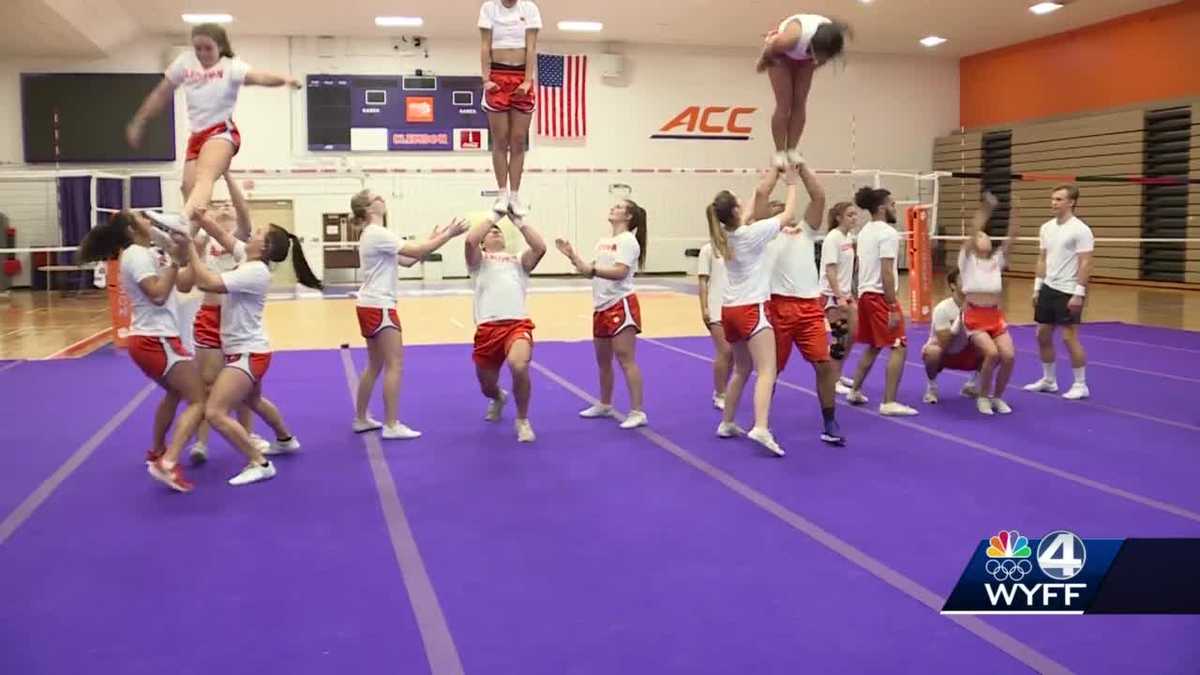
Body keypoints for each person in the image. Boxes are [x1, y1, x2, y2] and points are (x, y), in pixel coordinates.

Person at [183, 213, 317, 486]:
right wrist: (201, 217)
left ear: (264, 247)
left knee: (215, 412)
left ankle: (259, 461)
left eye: (257, 233)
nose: (251, 234)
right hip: (250, 350)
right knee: (252, 401)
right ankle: (285, 439)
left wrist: (189, 248)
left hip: (247, 354)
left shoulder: (254, 271)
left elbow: (207, 283)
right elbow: (223, 236)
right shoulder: (249, 257)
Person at [78, 211, 205, 492]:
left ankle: (157, 450)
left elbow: (181, 283)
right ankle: (169, 462)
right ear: (131, 230)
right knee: (199, 400)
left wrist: (191, 254)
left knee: (175, 392)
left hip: (152, 338)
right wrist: (175, 260)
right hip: (155, 338)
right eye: (142, 219)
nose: (150, 222)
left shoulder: (147, 253)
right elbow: (158, 295)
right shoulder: (136, 254)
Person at [127, 22, 302, 224]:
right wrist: (140, 119)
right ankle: (188, 233)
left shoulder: (231, 67)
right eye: (198, 48)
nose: (202, 53)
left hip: (221, 132)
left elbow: (259, 76)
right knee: (187, 187)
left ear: (220, 46)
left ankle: (182, 220)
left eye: (208, 48)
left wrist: (285, 79)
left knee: (205, 177)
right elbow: (161, 93)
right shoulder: (185, 62)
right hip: (197, 135)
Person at [350, 190, 469, 438]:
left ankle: (361, 418)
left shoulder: (374, 235)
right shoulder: (378, 233)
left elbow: (408, 261)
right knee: (395, 364)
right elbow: (415, 252)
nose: (382, 198)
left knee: (374, 364)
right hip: (380, 305)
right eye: (376, 197)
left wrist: (432, 239)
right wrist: (448, 234)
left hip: (368, 303)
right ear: (369, 209)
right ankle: (391, 425)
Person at [707, 166, 800, 456]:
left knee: (742, 368)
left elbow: (752, 201)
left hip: (729, 311)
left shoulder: (724, 233)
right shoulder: (752, 234)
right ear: (735, 211)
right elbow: (786, 215)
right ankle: (761, 425)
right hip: (751, 308)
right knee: (767, 370)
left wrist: (772, 172)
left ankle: (727, 421)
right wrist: (792, 184)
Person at [187, 172, 269, 463]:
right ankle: (201, 442)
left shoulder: (243, 240)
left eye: (227, 204)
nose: (223, 207)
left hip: (235, 319)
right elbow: (188, 280)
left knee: (241, 388)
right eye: (217, 204)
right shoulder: (204, 241)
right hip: (210, 316)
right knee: (207, 384)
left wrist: (226, 175)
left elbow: (243, 209)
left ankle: (246, 436)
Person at [765, 161, 845, 445]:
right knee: (771, 370)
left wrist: (801, 167)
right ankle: (762, 422)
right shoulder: (763, 234)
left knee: (824, 365)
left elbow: (820, 197)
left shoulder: (805, 230)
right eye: (774, 207)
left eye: (781, 206)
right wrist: (777, 172)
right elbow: (762, 198)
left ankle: (829, 420)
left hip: (810, 308)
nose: (779, 208)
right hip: (779, 306)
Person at [555, 200, 649, 430]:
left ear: (628, 216)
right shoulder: (603, 242)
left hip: (620, 303)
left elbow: (620, 272)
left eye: (618, 206)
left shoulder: (628, 241)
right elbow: (591, 272)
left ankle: (637, 411)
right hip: (601, 305)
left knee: (625, 359)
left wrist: (593, 269)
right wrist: (573, 256)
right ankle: (605, 403)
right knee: (603, 360)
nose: (612, 207)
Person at [465, 214, 547, 442]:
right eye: (490, 230)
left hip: (516, 324)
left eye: (498, 229)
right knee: (487, 386)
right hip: (487, 329)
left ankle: (522, 420)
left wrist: (518, 218)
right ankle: (499, 397)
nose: (495, 230)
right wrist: (494, 214)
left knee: (518, 366)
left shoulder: (518, 260)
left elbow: (540, 247)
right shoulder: (478, 261)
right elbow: (470, 241)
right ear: (483, 242)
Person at [845, 187, 918, 416]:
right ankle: (889, 402)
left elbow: (858, 267)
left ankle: (855, 389)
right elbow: (887, 271)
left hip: (866, 294)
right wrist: (893, 305)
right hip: (879, 296)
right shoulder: (887, 233)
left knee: (875, 345)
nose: (896, 208)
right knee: (899, 345)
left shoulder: (865, 231)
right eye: (893, 204)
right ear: (881, 208)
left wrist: (858, 294)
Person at [1024, 184, 1094, 400]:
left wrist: (1079, 293)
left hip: (1069, 290)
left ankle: (1081, 384)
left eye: (1059, 199)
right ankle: (1049, 380)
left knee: (1068, 338)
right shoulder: (1046, 228)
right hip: (1048, 288)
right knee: (1042, 334)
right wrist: (1037, 287)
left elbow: (1085, 264)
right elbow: (1042, 259)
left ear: (1071, 202)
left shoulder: (1081, 230)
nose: (1053, 203)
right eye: (1053, 199)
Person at [756, 14, 850, 169]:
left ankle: (792, 149)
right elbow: (770, 50)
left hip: (805, 58)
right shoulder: (792, 37)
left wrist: (811, 64)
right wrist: (761, 62)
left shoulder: (830, 43)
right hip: (780, 55)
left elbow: (819, 61)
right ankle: (779, 152)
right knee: (784, 103)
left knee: (800, 102)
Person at [478, 0, 542, 217]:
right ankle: (502, 193)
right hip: (497, 74)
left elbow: (531, 46)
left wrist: (527, 80)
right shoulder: (489, 8)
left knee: (517, 140)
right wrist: (486, 78)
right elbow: (485, 45)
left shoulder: (529, 8)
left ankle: (515, 195)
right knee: (500, 139)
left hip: (521, 76)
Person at [958, 192, 1019, 415]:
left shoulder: (996, 261)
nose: (983, 238)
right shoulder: (967, 260)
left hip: (994, 316)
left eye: (987, 236)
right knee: (992, 354)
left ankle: (998, 396)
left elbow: (1012, 236)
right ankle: (982, 396)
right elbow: (974, 230)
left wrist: (1016, 212)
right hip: (974, 317)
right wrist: (987, 208)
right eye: (980, 237)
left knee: (1009, 356)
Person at [921, 270, 982, 405]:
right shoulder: (942, 309)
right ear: (953, 285)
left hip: (967, 353)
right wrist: (960, 318)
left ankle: (971, 386)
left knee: (997, 349)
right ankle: (932, 388)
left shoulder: (978, 307)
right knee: (932, 353)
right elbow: (944, 342)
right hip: (944, 353)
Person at [819, 200, 859, 395]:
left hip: (846, 293)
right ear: (838, 218)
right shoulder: (833, 238)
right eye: (850, 215)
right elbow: (830, 269)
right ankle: (832, 379)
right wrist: (838, 296)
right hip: (832, 295)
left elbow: (849, 269)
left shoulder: (848, 237)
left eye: (855, 214)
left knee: (853, 334)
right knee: (840, 337)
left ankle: (838, 372)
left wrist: (851, 293)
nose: (854, 218)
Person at [697, 238, 732, 411]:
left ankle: (726, 389)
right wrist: (704, 307)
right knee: (724, 351)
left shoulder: (740, 245)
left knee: (733, 353)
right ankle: (720, 393)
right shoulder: (708, 249)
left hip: (737, 304)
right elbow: (703, 282)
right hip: (716, 306)